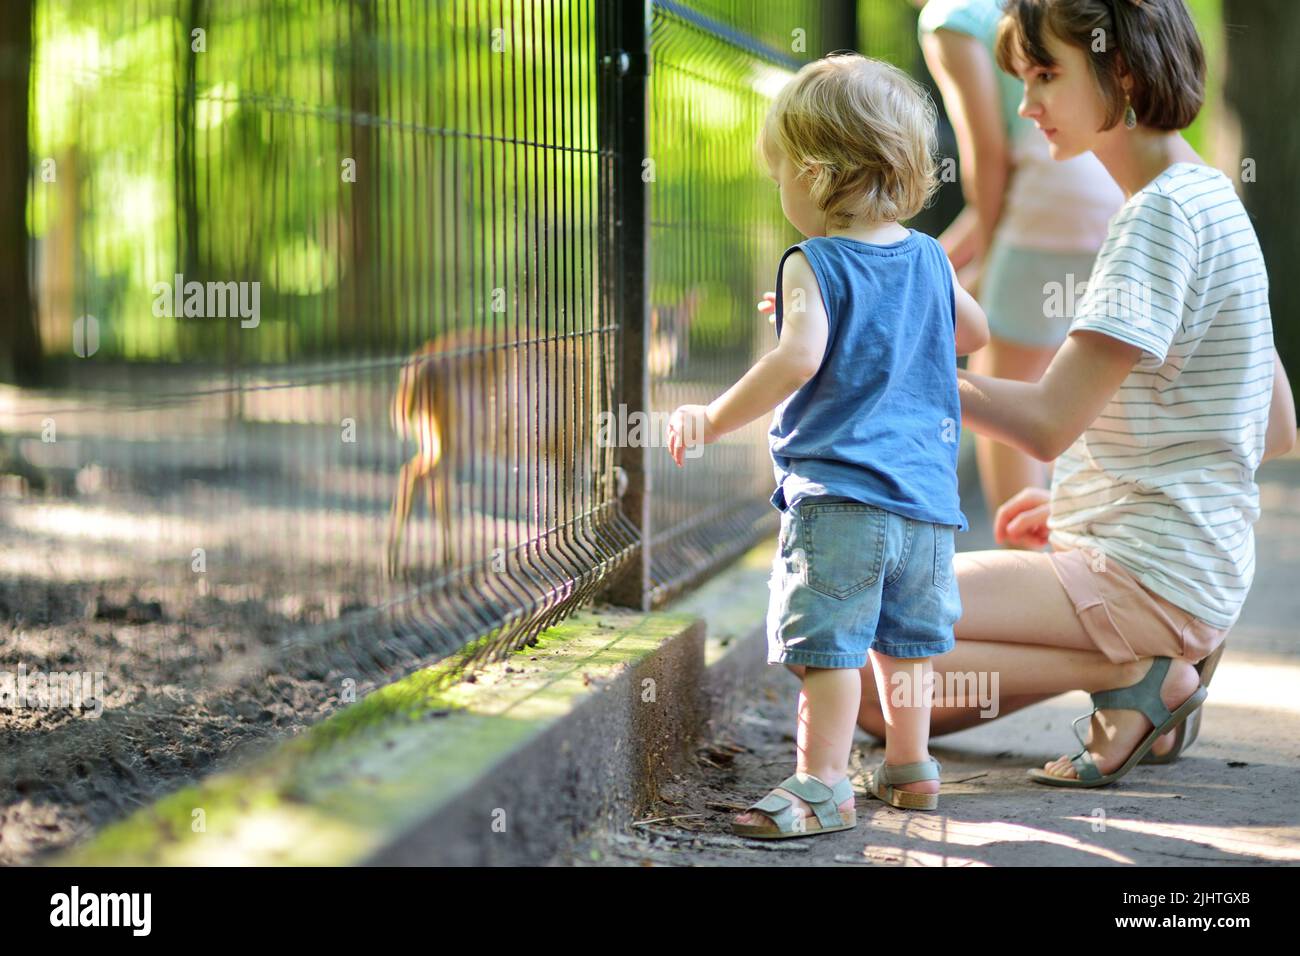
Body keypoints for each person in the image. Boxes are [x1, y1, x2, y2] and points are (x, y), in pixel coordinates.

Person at [802, 0, 1296, 787]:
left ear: (1122, 73)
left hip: (1147, 574)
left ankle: (1135, 671)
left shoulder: (1156, 219)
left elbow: (1045, 425)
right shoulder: (1210, 195)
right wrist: (1082, 511)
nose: (1026, 105)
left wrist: (886, 371)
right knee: (874, 697)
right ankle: (1140, 670)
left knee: (846, 637)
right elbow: (1277, 427)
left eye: (1045, 75)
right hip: (1190, 571)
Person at [667, 52, 988, 834]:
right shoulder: (928, 255)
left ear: (814, 175)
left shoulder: (814, 259)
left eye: (779, 174)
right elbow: (971, 332)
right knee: (908, 646)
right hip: (926, 507)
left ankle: (822, 785)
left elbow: (798, 359)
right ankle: (911, 769)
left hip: (842, 500)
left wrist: (710, 417)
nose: (780, 191)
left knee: (831, 653)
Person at [915, 0, 1125, 520]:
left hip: (1047, 206)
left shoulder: (947, 19)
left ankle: (1026, 548)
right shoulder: (1009, 8)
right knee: (1088, 391)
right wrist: (937, 260)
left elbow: (988, 156)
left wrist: (984, 265)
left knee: (1005, 389)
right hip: (1111, 193)